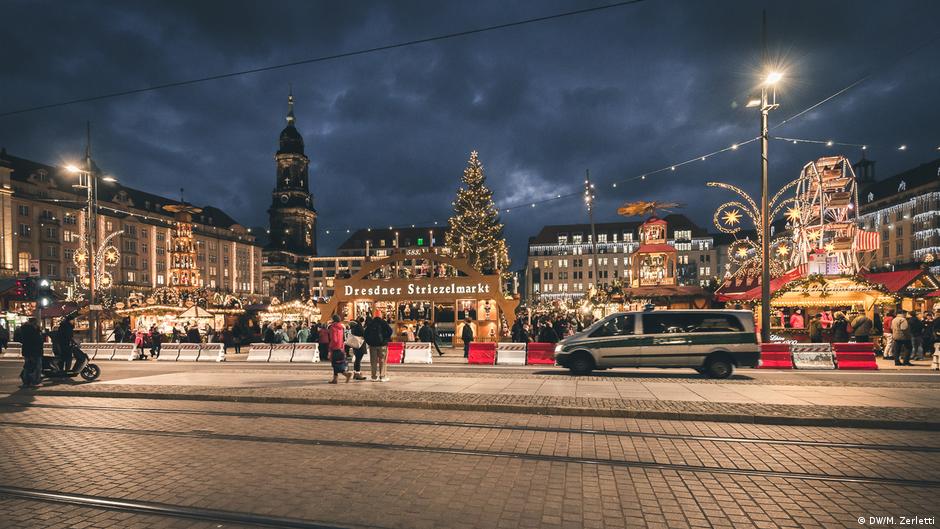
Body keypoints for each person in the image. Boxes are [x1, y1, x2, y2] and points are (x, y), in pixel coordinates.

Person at [365, 310, 393, 382]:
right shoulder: (383, 322)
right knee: (382, 360)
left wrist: (369, 342)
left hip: (373, 345)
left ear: (374, 315)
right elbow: (390, 331)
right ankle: (382, 376)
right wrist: (385, 339)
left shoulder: (370, 323)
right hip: (382, 345)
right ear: (380, 315)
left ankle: (374, 377)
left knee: (373, 361)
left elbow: (365, 334)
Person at [18, 318, 43, 388]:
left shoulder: (25, 330)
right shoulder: (32, 331)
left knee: (28, 366)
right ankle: (34, 381)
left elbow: (19, 339)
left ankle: (27, 382)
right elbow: (36, 341)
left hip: (28, 351)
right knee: (35, 367)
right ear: (34, 323)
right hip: (34, 351)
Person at [327, 315, 351, 384]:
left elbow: (334, 339)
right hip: (341, 347)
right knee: (338, 363)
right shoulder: (341, 327)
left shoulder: (333, 327)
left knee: (335, 364)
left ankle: (346, 374)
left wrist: (330, 348)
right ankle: (335, 379)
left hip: (335, 347)